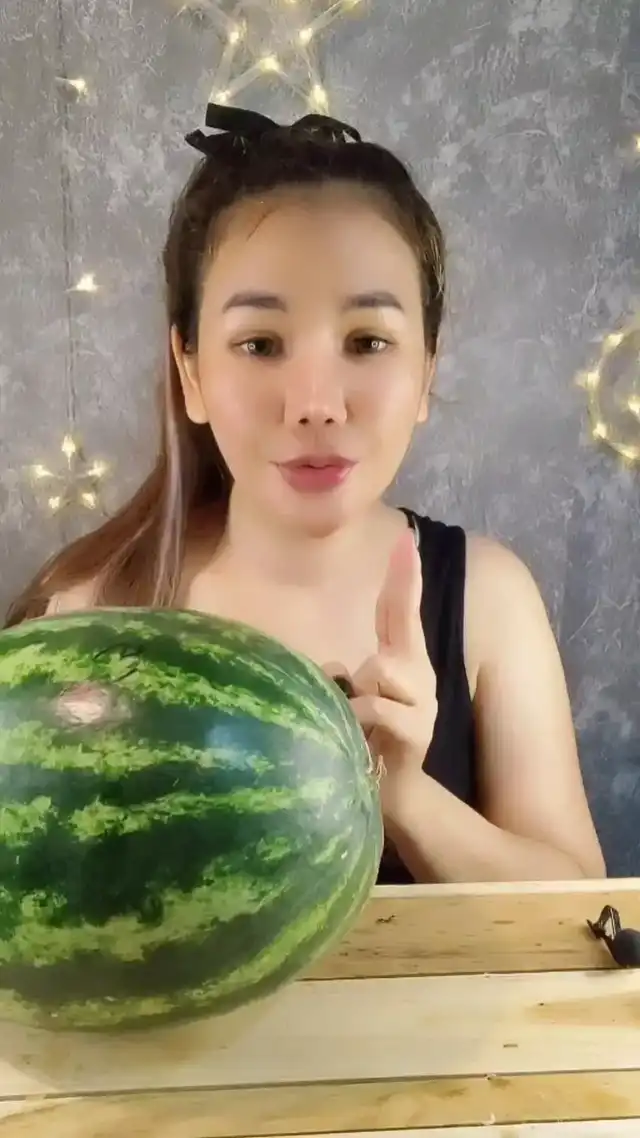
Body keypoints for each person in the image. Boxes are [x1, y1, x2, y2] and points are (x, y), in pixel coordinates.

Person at [4, 103, 606, 883]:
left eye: (367, 342)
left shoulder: (489, 598)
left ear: (426, 370)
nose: (316, 404)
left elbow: (580, 911)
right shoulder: (91, 610)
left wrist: (404, 794)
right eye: (260, 344)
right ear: (191, 371)